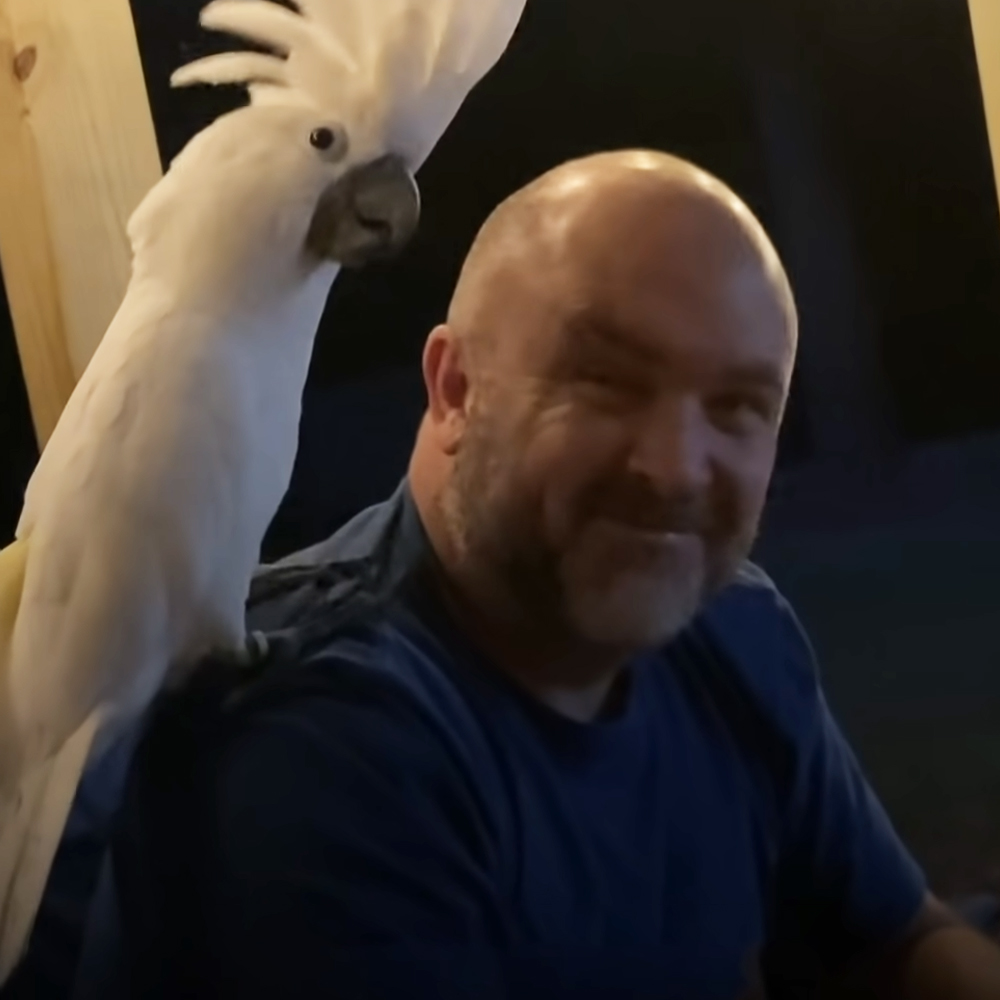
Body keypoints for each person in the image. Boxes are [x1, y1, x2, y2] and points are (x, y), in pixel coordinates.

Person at [110, 150, 1000, 999]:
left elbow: (899, 942)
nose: (675, 469)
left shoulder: (736, 627)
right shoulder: (312, 728)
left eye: (737, 407)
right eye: (607, 380)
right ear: (455, 389)